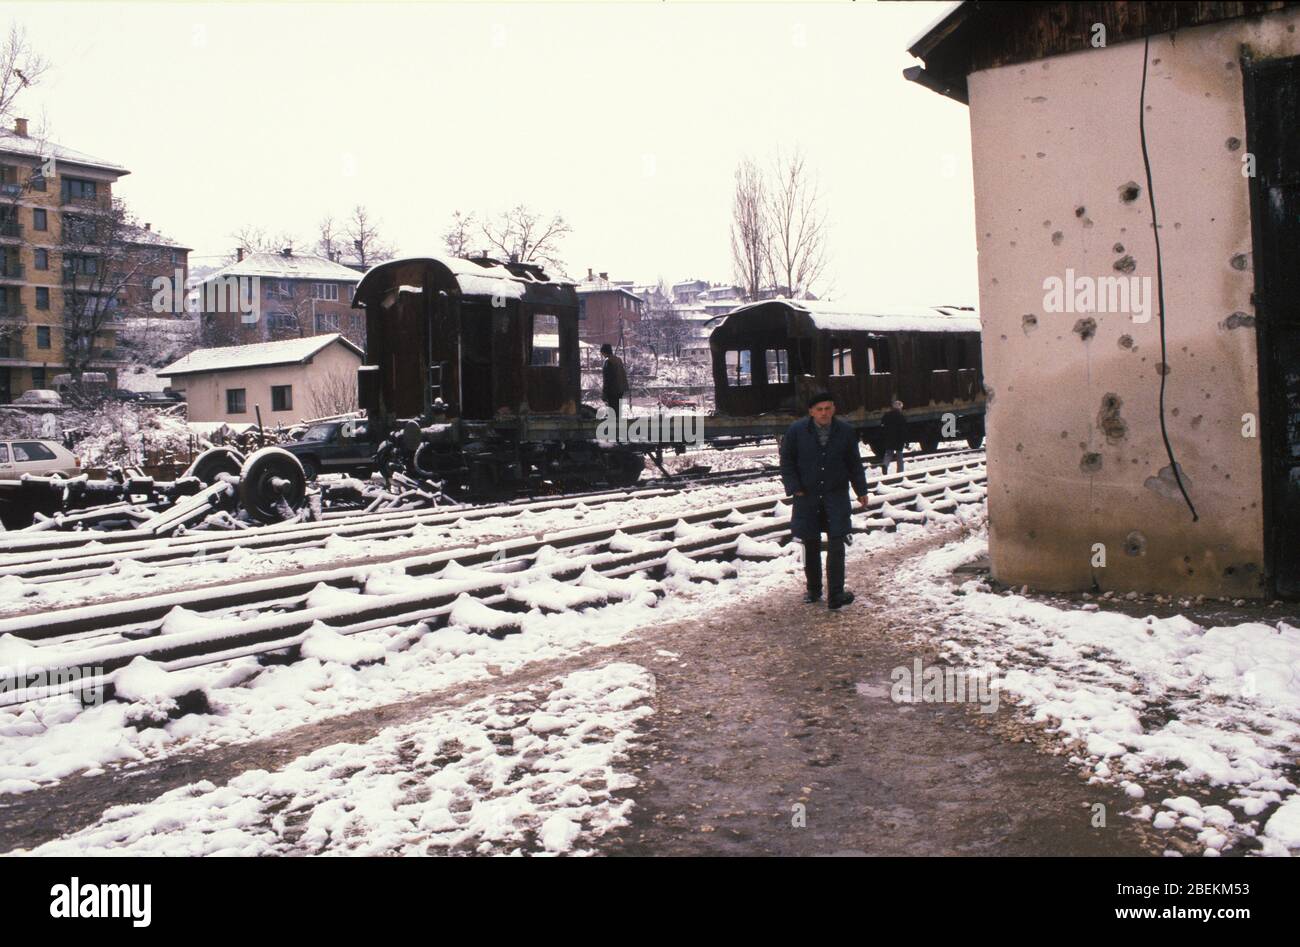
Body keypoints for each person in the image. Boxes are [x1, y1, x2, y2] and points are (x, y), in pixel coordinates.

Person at [779, 391, 870, 610]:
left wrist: (861, 490)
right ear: (811, 412)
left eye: (828, 408)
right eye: (819, 409)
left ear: (834, 409)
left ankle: (836, 594)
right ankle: (813, 589)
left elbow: (854, 464)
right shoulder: (796, 431)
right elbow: (787, 462)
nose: (824, 413)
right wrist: (794, 488)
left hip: (836, 495)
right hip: (807, 497)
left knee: (837, 543)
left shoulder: (846, 432)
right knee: (810, 543)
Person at [600, 343, 629, 424]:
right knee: (618, 411)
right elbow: (623, 375)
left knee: (612, 412)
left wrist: (604, 393)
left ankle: (613, 430)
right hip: (620, 390)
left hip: (612, 391)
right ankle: (618, 429)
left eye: (602, 352)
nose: (601, 354)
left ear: (604, 352)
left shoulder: (607, 361)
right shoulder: (618, 360)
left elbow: (607, 379)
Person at [880, 399, 907, 474]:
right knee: (899, 456)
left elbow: (882, 425)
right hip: (898, 439)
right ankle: (900, 472)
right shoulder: (901, 417)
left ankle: (885, 464)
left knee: (888, 453)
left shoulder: (886, 415)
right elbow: (903, 430)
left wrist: (884, 434)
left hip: (889, 437)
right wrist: (905, 440)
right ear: (899, 408)